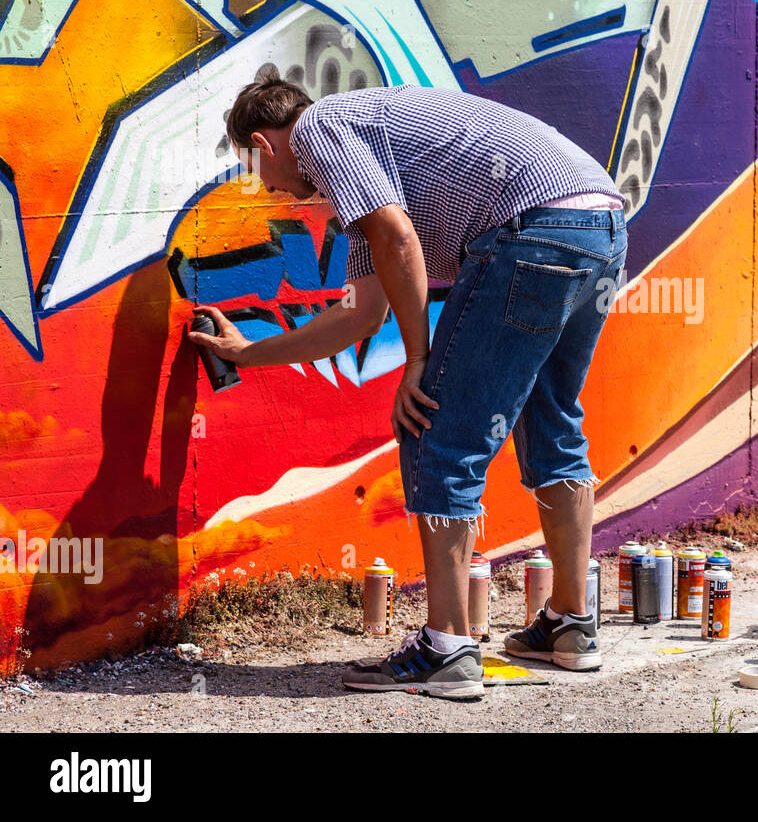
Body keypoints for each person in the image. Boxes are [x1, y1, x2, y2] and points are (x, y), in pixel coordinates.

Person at [189, 68, 627, 699]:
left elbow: (400, 239)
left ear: (263, 145)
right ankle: (570, 624)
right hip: (598, 226)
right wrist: (249, 353)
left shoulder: (321, 127)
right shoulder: (368, 169)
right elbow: (362, 313)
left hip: (533, 227)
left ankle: (448, 650)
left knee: (435, 427)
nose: (277, 193)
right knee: (551, 417)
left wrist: (417, 362)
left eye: (260, 174)